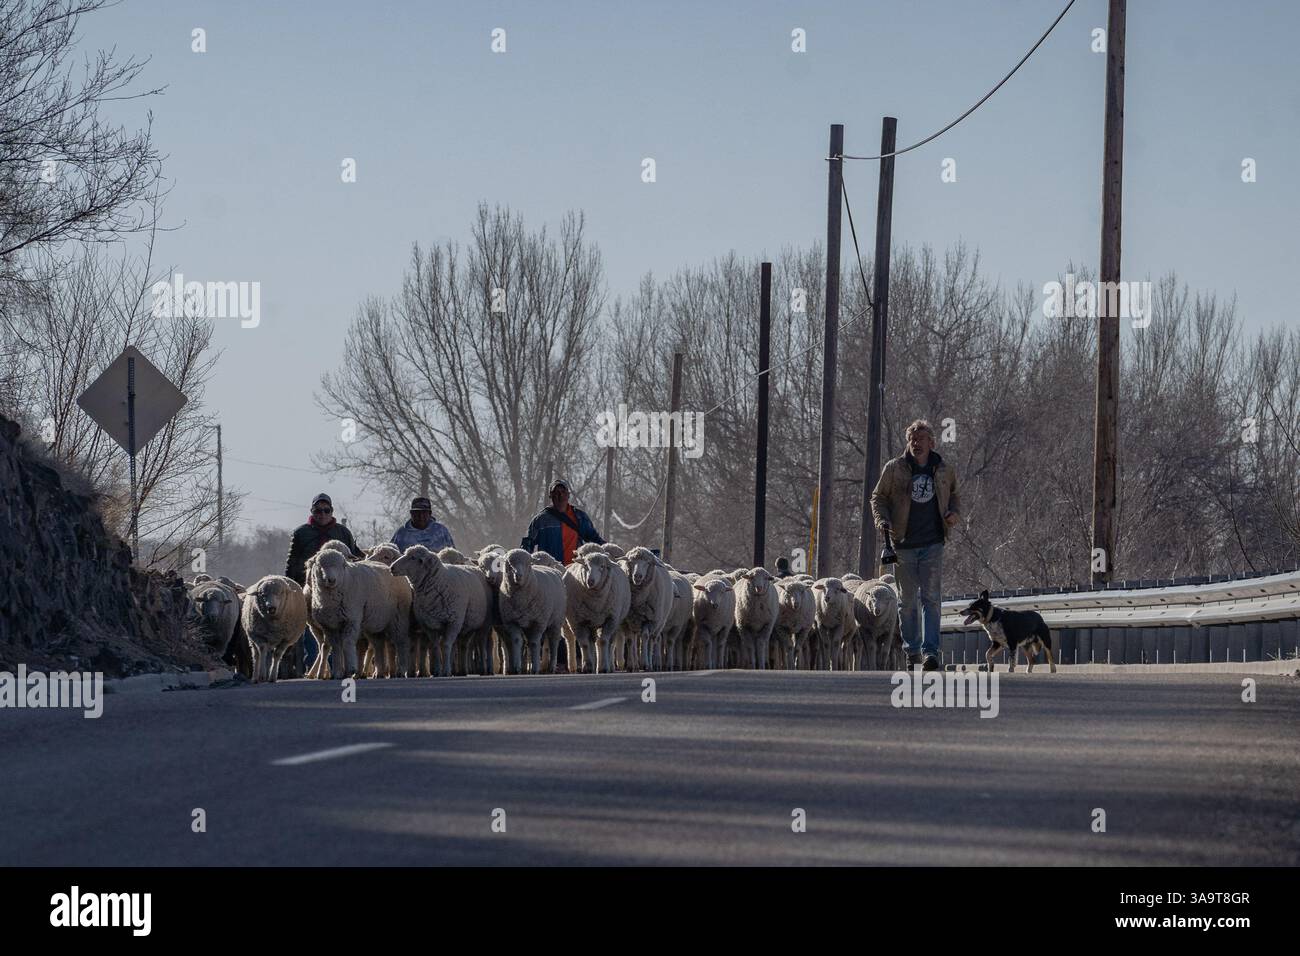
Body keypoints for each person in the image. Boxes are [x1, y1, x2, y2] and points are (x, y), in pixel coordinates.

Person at [869, 420, 961, 672]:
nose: (916, 444)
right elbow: (877, 497)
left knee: (931, 598)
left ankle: (931, 653)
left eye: (921, 439)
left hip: (933, 543)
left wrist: (954, 513)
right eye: (912, 439)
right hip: (903, 544)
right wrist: (882, 520)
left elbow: (955, 494)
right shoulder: (895, 469)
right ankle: (912, 652)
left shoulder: (943, 469)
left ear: (932, 442)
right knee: (907, 601)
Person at [284, 493, 363, 673]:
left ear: (331, 511)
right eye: (318, 510)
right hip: (312, 590)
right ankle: (315, 666)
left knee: (344, 627)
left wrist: (371, 563)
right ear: (312, 511)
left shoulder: (342, 532)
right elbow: (293, 561)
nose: (322, 514)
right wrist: (291, 586)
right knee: (315, 627)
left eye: (326, 510)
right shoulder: (301, 533)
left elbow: (355, 557)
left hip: (341, 592)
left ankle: (342, 666)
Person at [523, 478, 604, 565]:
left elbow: (594, 538)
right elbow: (528, 542)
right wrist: (524, 562)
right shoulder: (541, 520)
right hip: (550, 571)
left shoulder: (579, 517)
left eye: (563, 491)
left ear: (568, 495)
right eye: (556, 492)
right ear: (550, 495)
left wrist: (609, 551)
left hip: (573, 570)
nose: (560, 495)